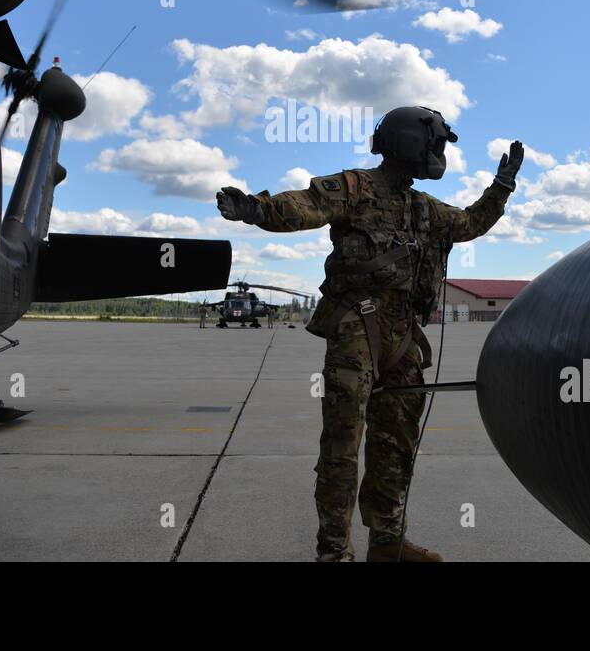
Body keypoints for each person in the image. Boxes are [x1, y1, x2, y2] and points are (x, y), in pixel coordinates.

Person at [216, 105, 523, 561]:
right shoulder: (355, 188)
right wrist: (257, 209)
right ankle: (334, 551)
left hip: (403, 334)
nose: (439, 153)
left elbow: (470, 223)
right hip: (356, 327)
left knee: (396, 444)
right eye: (436, 144)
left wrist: (501, 186)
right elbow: (304, 205)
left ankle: (387, 544)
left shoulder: (424, 207)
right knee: (342, 447)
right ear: (411, 143)